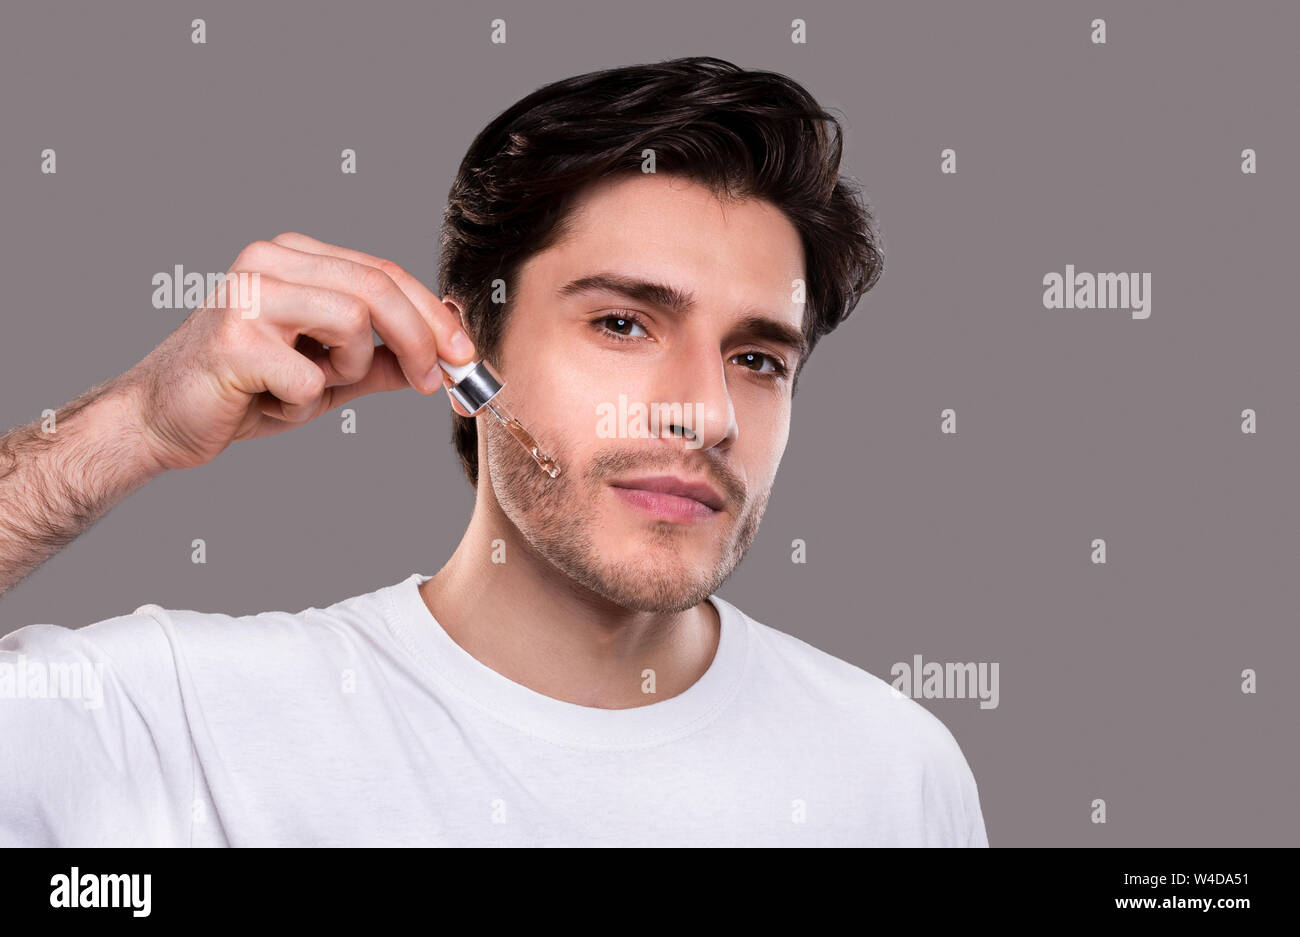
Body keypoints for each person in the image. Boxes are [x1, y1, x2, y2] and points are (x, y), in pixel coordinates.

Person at [0, 56, 988, 846]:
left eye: (758, 357)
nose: (705, 411)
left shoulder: (894, 772)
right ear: (467, 340)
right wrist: (129, 425)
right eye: (622, 323)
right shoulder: (165, 719)